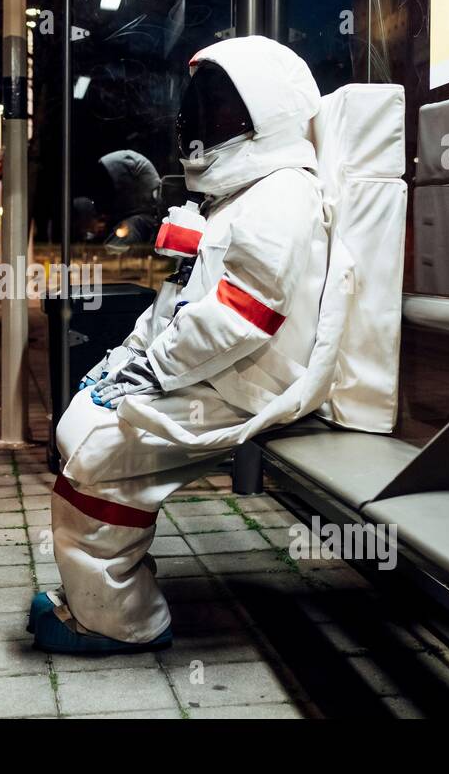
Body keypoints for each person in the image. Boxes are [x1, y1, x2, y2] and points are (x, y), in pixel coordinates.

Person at [32, 36, 335, 653]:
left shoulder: (283, 194)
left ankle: (120, 620)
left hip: (248, 383)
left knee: (96, 456)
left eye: (222, 111)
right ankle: (107, 589)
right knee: (84, 432)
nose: (201, 125)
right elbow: (177, 303)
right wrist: (127, 362)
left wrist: (154, 370)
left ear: (269, 111)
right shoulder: (234, 200)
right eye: (198, 109)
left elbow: (241, 316)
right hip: (215, 374)